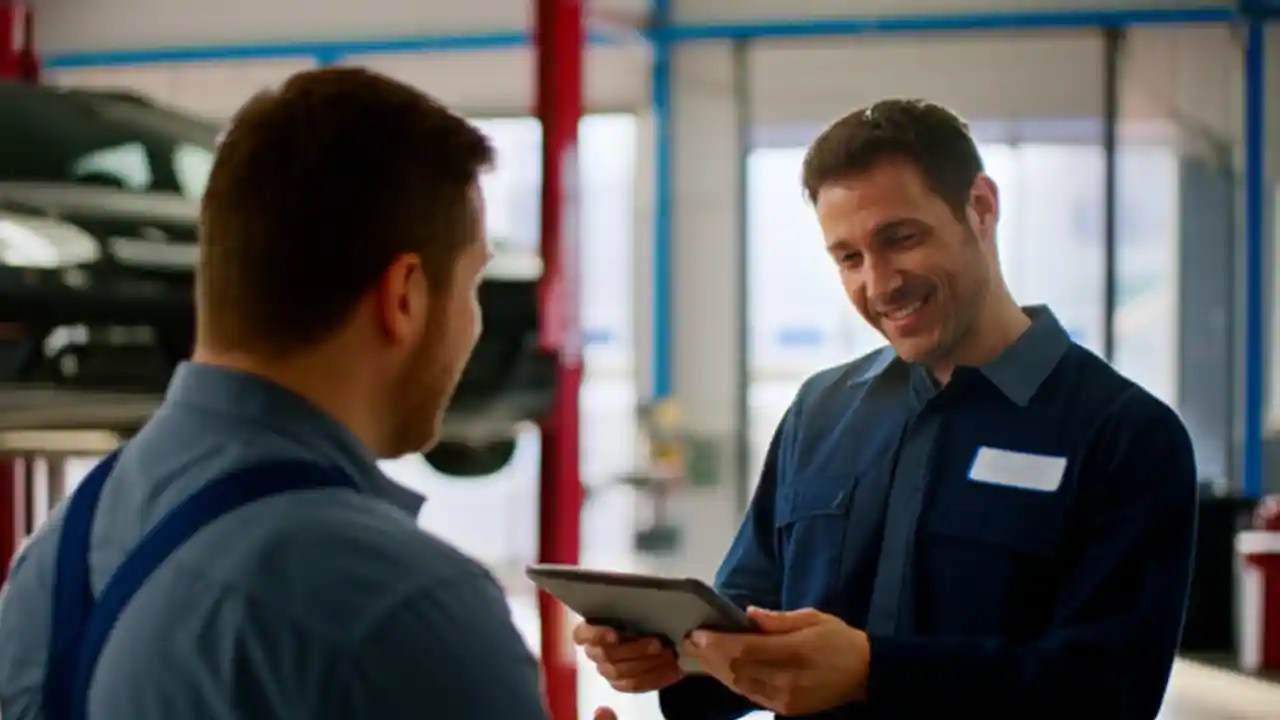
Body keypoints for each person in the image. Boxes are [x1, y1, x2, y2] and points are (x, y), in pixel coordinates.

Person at [577, 99, 1199, 719]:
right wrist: (677, 657)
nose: (879, 284)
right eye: (849, 258)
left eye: (900, 239)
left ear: (980, 208)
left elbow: (1106, 695)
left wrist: (874, 673)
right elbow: (754, 612)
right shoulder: (820, 411)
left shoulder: (1125, 436)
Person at [0, 68, 547, 719]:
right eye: (471, 286)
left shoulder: (60, 558)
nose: (475, 324)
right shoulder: (402, 605)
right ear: (404, 297)